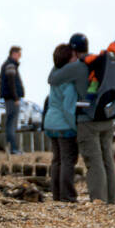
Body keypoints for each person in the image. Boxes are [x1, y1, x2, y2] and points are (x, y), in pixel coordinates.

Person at [49, 32, 115, 204]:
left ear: (74, 50)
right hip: (107, 117)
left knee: (94, 161)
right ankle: (111, 200)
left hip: (88, 119)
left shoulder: (78, 66)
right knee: (108, 158)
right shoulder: (101, 61)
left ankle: (99, 200)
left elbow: (53, 79)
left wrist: (61, 63)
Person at [44, 43, 79, 203]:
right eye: (73, 56)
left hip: (50, 121)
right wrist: (75, 127)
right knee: (68, 160)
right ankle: (67, 195)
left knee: (57, 160)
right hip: (63, 125)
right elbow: (68, 108)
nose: (76, 58)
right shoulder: (68, 82)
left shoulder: (54, 75)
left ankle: (56, 194)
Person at [0, 46, 24, 155]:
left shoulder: (9, 64)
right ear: (13, 53)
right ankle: (13, 148)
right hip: (12, 99)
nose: (20, 56)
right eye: (19, 54)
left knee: (11, 123)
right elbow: (11, 83)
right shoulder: (10, 65)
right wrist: (16, 98)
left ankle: (12, 148)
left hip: (10, 98)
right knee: (11, 124)